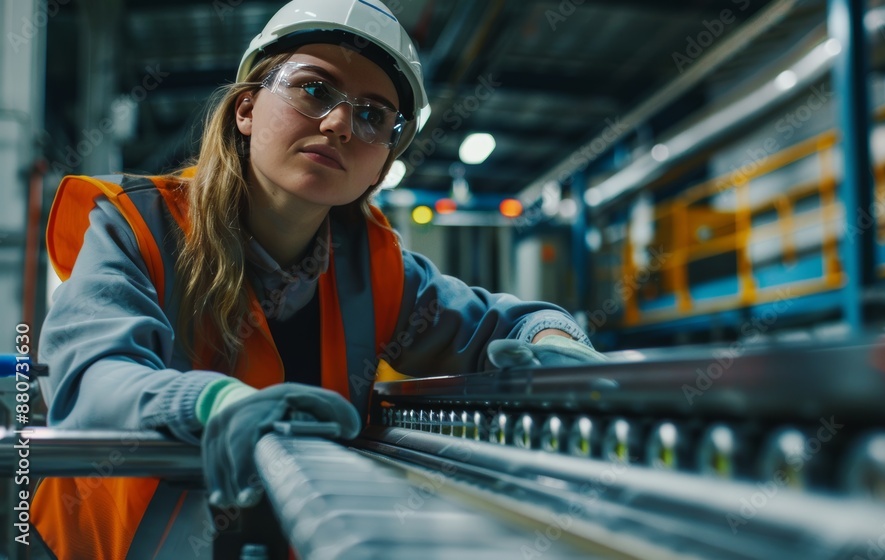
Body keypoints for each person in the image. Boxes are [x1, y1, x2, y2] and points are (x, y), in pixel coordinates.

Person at [30, 0, 604, 557]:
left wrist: (555, 343)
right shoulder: (139, 227)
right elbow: (90, 380)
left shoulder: (372, 266)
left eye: (372, 115)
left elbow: (508, 324)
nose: (338, 124)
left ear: (381, 164)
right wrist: (212, 404)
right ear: (247, 109)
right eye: (313, 89)